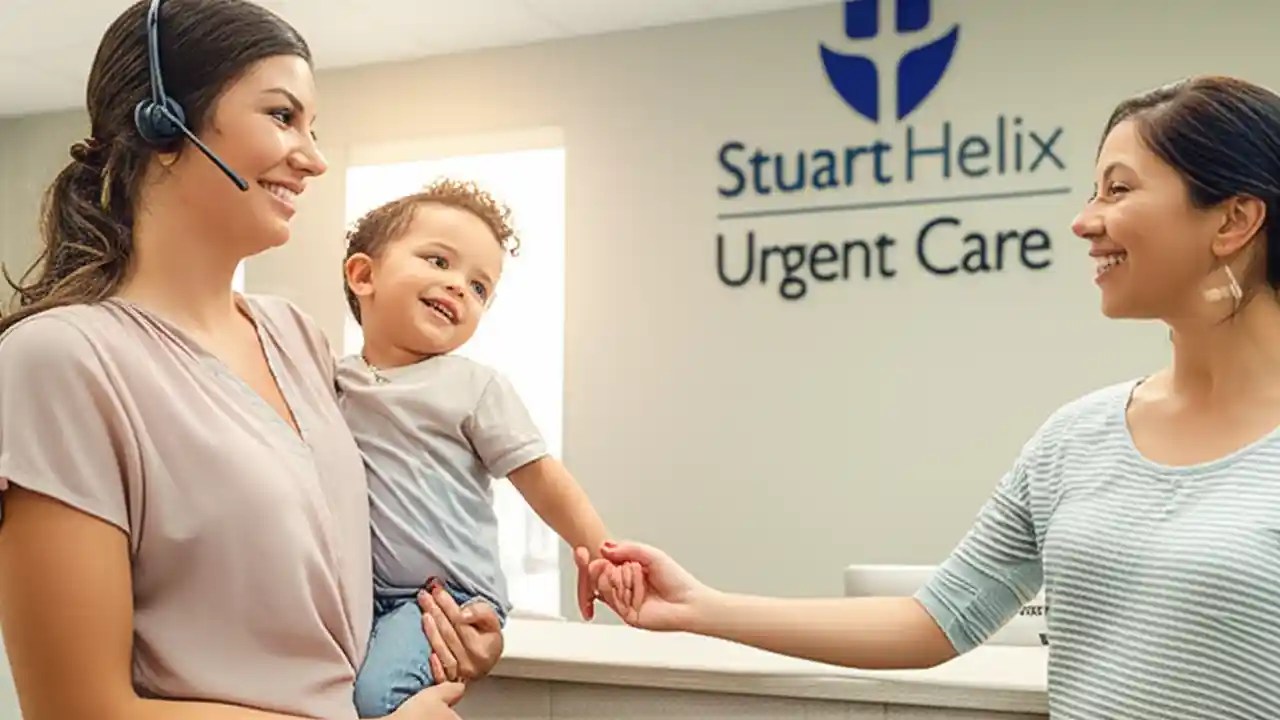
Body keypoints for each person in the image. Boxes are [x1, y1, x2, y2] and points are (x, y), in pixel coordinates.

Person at [582, 74, 1280, 720]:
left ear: (1233, 219)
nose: (1084, 221)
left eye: (1118, 190)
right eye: (1093, 191)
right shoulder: (1076, 438)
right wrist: (702, 607)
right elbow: (937, 618)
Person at [0, 1, 500, 719]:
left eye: (313, 128)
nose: (314, 157)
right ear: (163, 124)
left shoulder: (297, 338)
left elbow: (330, 596)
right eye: (282, 116)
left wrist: (446, 629)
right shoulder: (60, 362)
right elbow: (78, 708)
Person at [337, 178, 641, 717]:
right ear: (364, 275)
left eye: (479, 287)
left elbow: (544, 480)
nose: (458, 286)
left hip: (445, 595)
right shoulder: (331, 380)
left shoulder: (473, 387)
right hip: (363, 597)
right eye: (438, 261)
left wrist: (600, 555)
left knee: (377, 697)